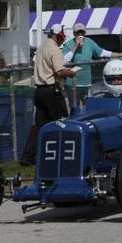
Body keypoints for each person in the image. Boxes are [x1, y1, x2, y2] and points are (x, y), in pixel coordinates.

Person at [20, 24, 76, 165]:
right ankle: (62, 155)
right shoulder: (55, 50)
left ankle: (27, 156)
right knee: (62, 122)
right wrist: (71, 72)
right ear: (58, 35)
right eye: (62, 35)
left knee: (39, 125)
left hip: (39, 91)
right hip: (52, 90)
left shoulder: (41, 48)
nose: (63, 38)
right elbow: (58, 71)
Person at [61, 22, 111, 108]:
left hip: (87, 84)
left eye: (82, 32)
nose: (80, 34)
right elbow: (65, 60)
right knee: (74, 108)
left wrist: (120, 54)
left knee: (89, 108)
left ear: (85, 33)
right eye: (78, 33)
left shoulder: (89, 42)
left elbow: (102, 52)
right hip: (72, 84)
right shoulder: (68, 44)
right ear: (74, 34)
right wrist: (76, 45)